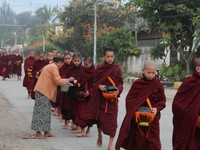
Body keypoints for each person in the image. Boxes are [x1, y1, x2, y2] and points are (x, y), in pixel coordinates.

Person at [115, 60, 166, 150]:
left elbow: (163, 100)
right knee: (139, 142)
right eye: (148, 72)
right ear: (143, 70)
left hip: (152, 119)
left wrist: (156, 109)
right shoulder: (138, 83)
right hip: (138, 118)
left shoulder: (157, 84)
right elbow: (129, 99)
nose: (151, 75)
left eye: (153, 73)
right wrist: (135, 111)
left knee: (154, 143)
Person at [24, 56, 74, 139]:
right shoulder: (53, 67)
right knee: (40, 112)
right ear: (60, 62)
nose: (62, 66)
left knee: (46, 112)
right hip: (43, 91)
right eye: (62, 63)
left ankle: (46, 131)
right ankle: (38, 133)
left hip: (44, 91)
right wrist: (68, 80)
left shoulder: (50, 66)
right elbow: (58, 81)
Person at [86, 48, 123, 150]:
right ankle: (99, 135)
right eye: (108, 57)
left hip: (112, 99)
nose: (110, 59)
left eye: (112, 57)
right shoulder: (99, 68)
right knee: (100, 120)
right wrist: (99, 86)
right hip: (101, 99)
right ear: (104, 57)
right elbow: (94, 83)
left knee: (112, 122)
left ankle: (111, 144)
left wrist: (118, 90)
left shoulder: (116, 68)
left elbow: (120, 83)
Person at [172, 56, 200, 150]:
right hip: (191, 127)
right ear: (198, 68)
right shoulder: (189, 83)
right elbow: (177, 105)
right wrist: (193, 117)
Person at [74, 56, 95, 137]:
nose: (85, 66)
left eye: (87, 65)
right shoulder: (83, 70)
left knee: (89, 114)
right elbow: (80, 80)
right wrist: (77, 85)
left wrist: (90, 91)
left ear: (91, 63)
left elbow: (96, 84)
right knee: (81, 112)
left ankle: (88, 130)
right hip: (82, 95)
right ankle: (82, 130)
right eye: (84, 64)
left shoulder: (94, 72)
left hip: (90, 96)